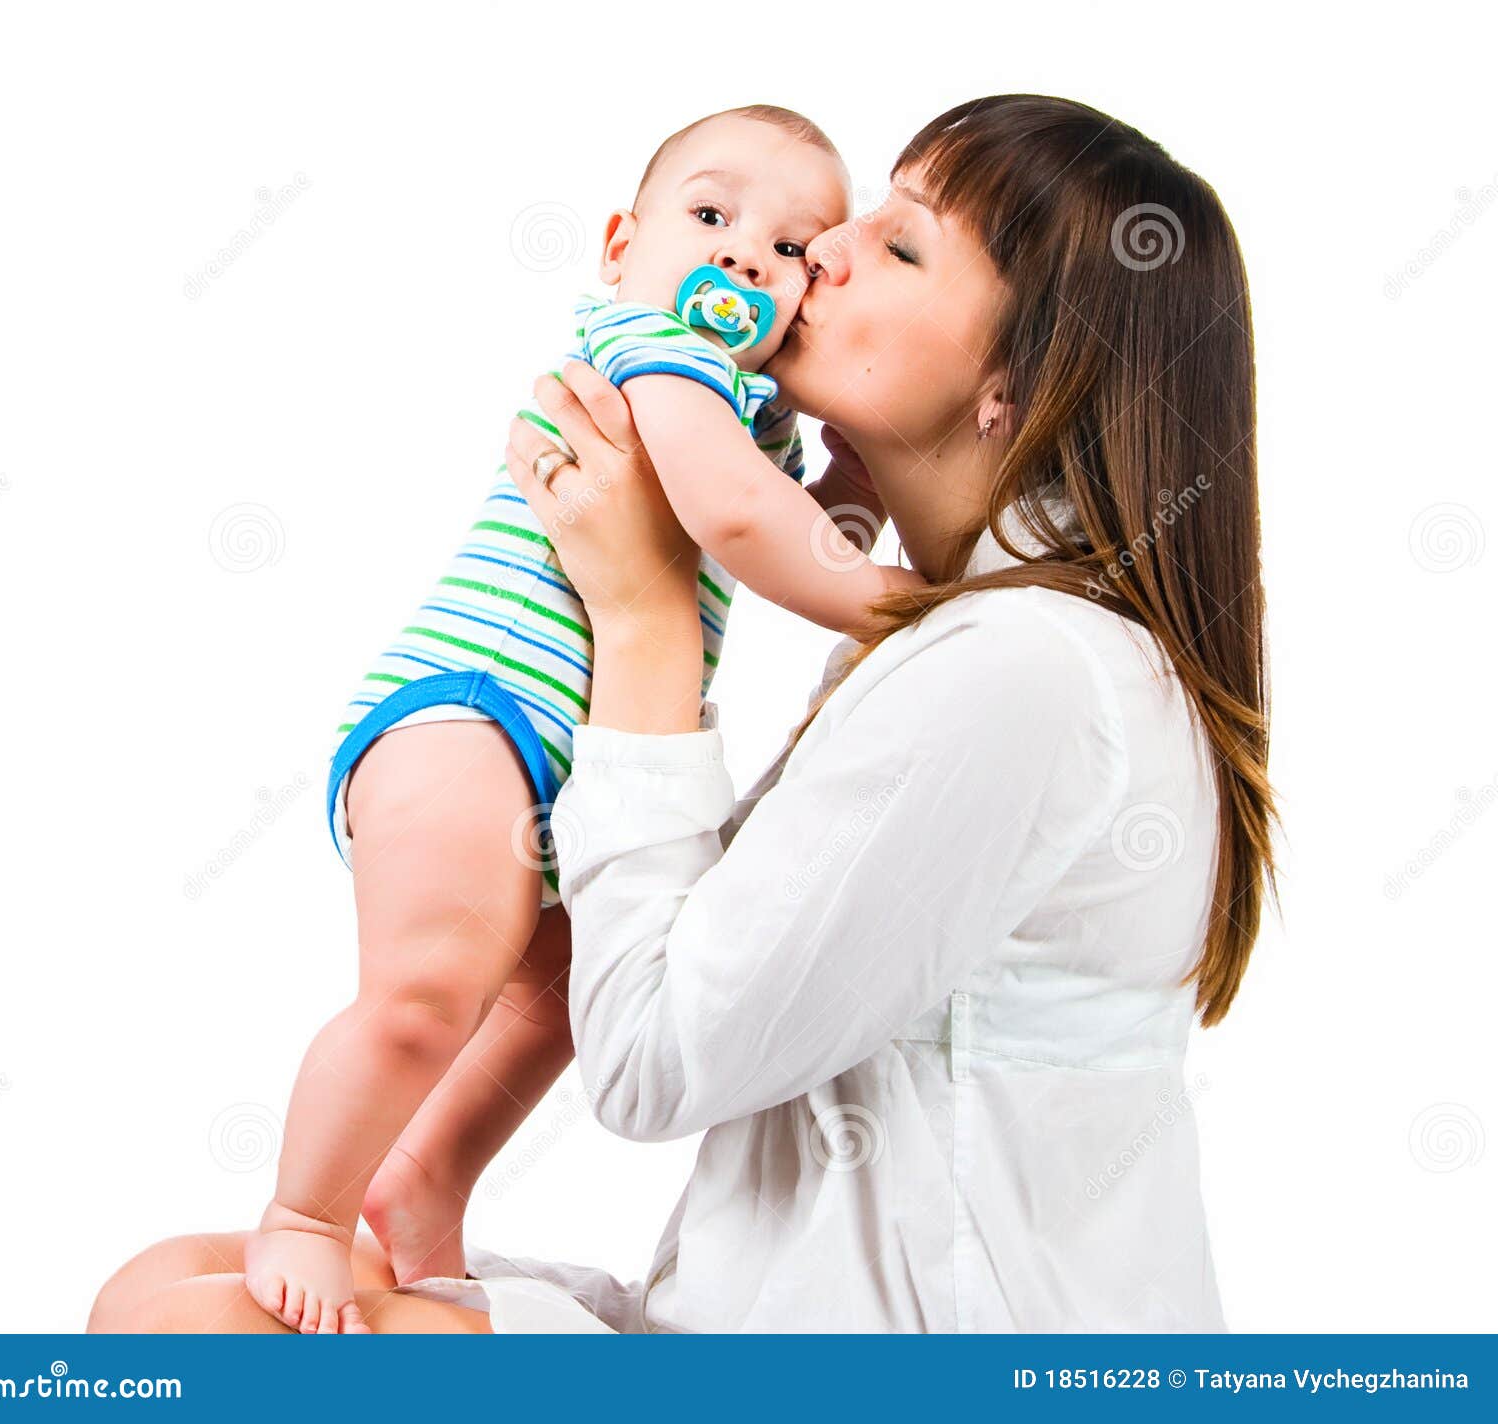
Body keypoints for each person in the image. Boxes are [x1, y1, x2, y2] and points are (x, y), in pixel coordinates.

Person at [90, 92, 1274, 1334]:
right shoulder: (971, 639)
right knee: (162, 1284)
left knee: (187, 1330)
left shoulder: (1015, 665)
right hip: (754, 1308)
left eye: (897, 243)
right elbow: (721, 917)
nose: (817, 254)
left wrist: (644, 614)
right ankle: (400, 1184)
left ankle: (384, 1187)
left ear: (1015, 387)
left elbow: (652, 1055)